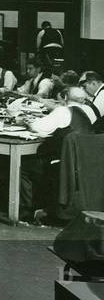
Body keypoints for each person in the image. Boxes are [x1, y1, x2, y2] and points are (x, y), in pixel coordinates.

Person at [20, 85, 97, 222]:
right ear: (84, 99)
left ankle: (26, 211)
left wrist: (26, 122)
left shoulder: (62, 111)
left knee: (24, 167)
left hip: (63, 163)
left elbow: (38, 127)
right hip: (84, 163)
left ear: (65, 97)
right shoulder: (89, 112)